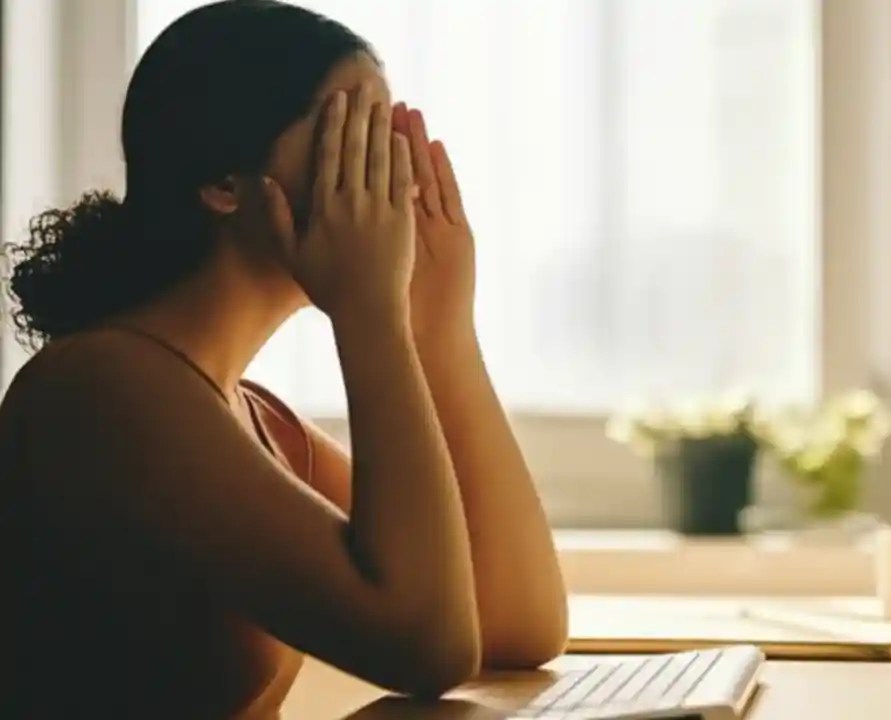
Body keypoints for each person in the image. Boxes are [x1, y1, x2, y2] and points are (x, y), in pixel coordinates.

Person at [0, 1, 567, 717]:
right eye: (351, 141)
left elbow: (517, 624)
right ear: (224, 183)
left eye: (390, 143)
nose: (389, 177)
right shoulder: (104, 390)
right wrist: (371, 316)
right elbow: (427, 645)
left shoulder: (252, 414)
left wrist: (442, 330)